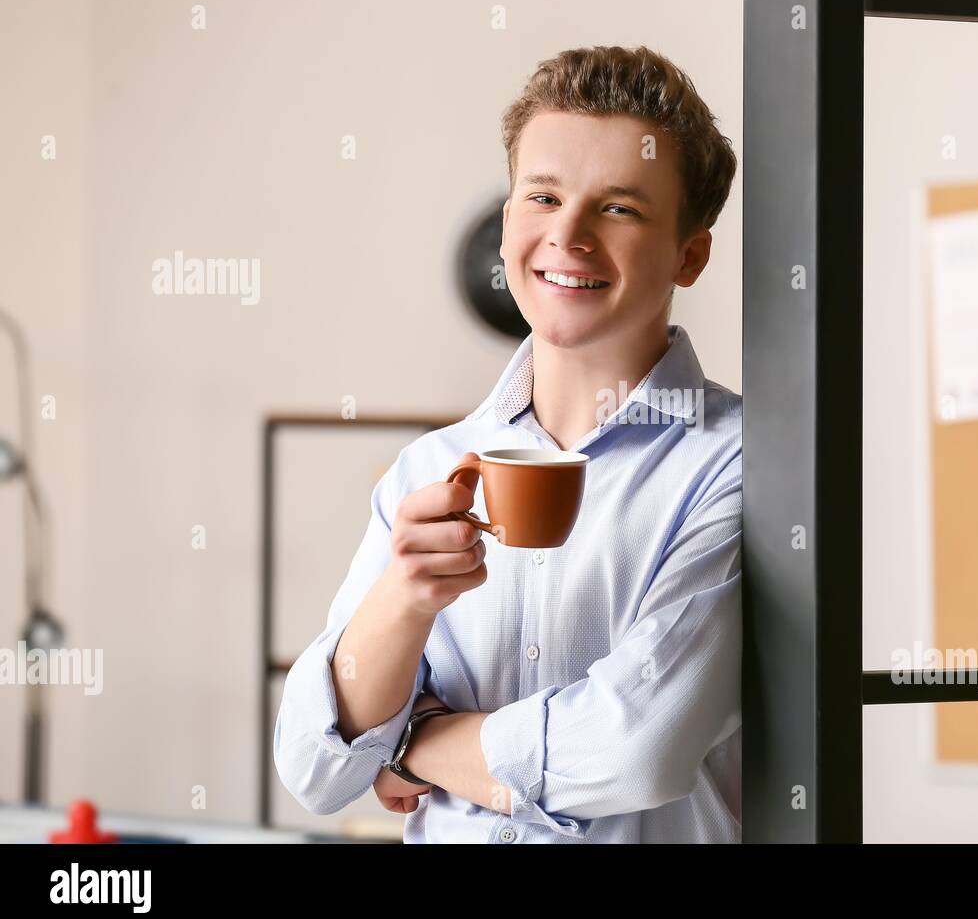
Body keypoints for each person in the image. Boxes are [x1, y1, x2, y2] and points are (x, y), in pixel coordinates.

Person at [273, 44, 740, 843]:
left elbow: (633, 750)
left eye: (619, 208)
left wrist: (415, 743)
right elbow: (317, 768)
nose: (569, 235)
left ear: (689, 253)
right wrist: (406, 597)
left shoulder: (738, 465)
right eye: (543, 196)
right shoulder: (426, 470)